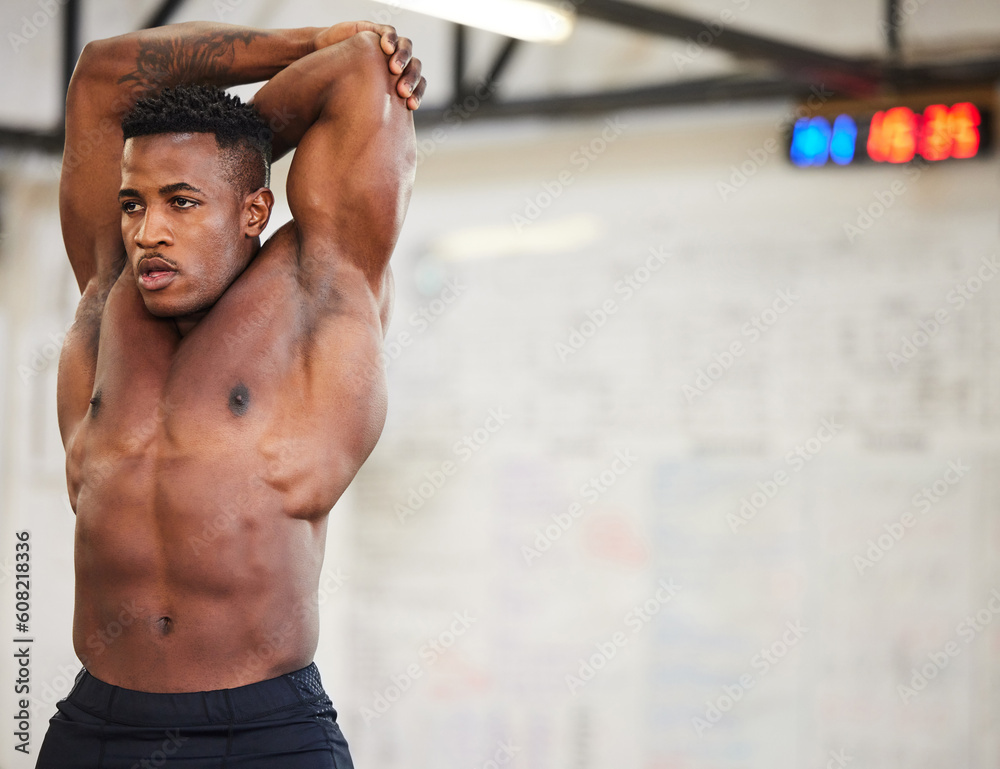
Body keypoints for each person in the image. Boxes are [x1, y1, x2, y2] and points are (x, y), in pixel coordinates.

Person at [37, 17, 426, 768]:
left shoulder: (319, 287)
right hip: (97, 725)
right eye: (133, 202)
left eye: (180, 203)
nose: (147, 230)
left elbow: (358, 71)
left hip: (261, 734)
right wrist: (289, 54)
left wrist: (225, 150)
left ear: (255, 210)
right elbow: (99, 73)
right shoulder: (108, 290)